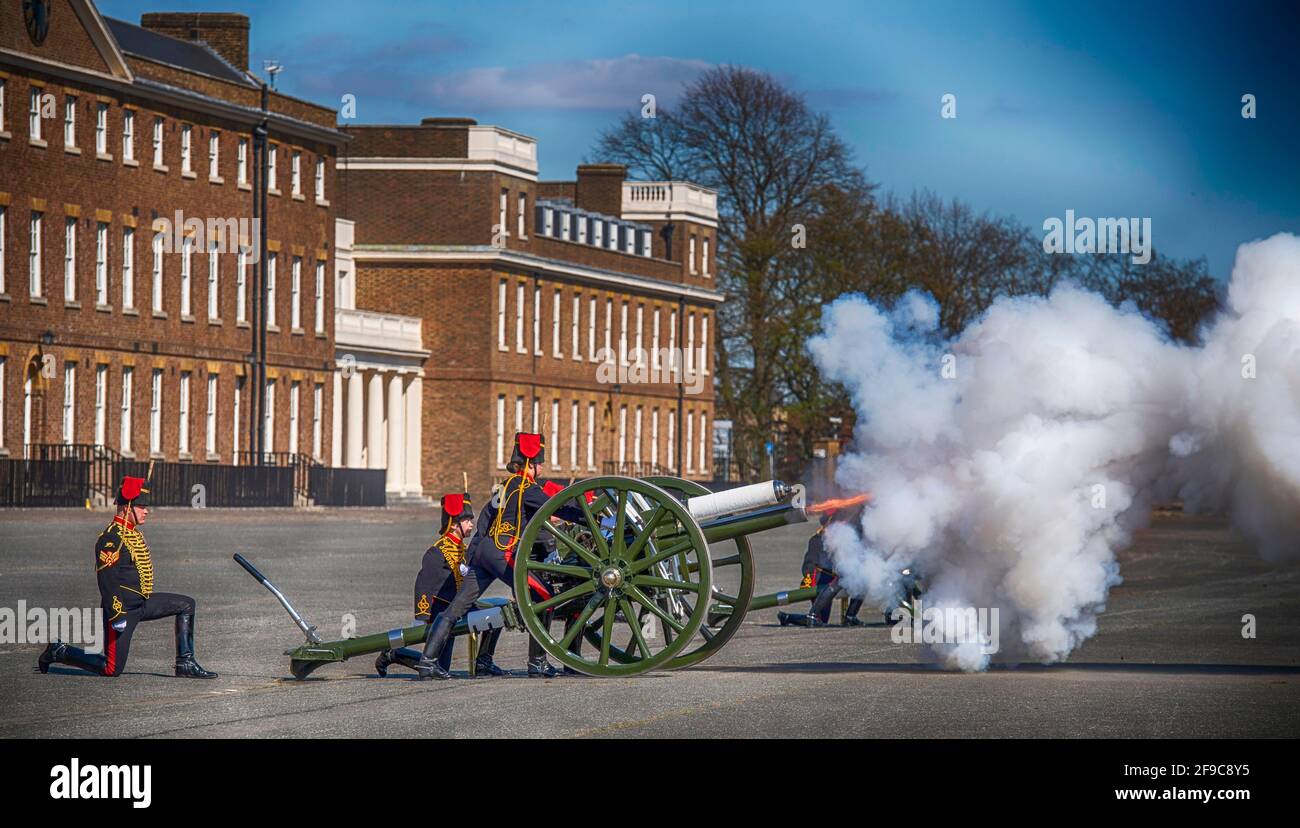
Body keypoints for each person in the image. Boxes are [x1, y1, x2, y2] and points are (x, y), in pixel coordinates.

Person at [414, 433, 588, 680]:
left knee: (455, 609)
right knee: (544, 596)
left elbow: (484, 521)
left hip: (485, 551)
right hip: (503, 552)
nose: (541, 468)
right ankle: (537, 662)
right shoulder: (528, 488)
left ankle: (427, 662)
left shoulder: (502, 487)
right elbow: (557, 507)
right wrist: (591, 517)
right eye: (539, 463)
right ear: (530, 463)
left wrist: (473, 557)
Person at [37, 476, 217, 678]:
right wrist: (116, 614)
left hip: (141, 603)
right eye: (141, 507)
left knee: (186, 604)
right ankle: (59, 651)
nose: (146, 511)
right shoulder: (111, 538)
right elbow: (107, 580)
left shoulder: (133, 534)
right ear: (126, 507)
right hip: (123, 609)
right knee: (112, 668)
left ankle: (185, 663)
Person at [375, 493, 507, 678]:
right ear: (454, 524)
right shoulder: (437, 552)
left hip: (460, 607)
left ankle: (484, 661)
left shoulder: (464, 548)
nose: (471, 524)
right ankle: (394, 653)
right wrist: (421, 617)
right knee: (441, 667)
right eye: (467, 520)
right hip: (442, 614)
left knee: (495, 616)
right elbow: (424, 585)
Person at [778, 510, 865, 627]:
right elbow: (808, 566)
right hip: (820, 581)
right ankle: (788, 618)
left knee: (864, 580)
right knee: (820, 620)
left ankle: (850, 616)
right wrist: (809, 582)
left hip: (833, 580)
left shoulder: (841, 537)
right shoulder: (817, 540)